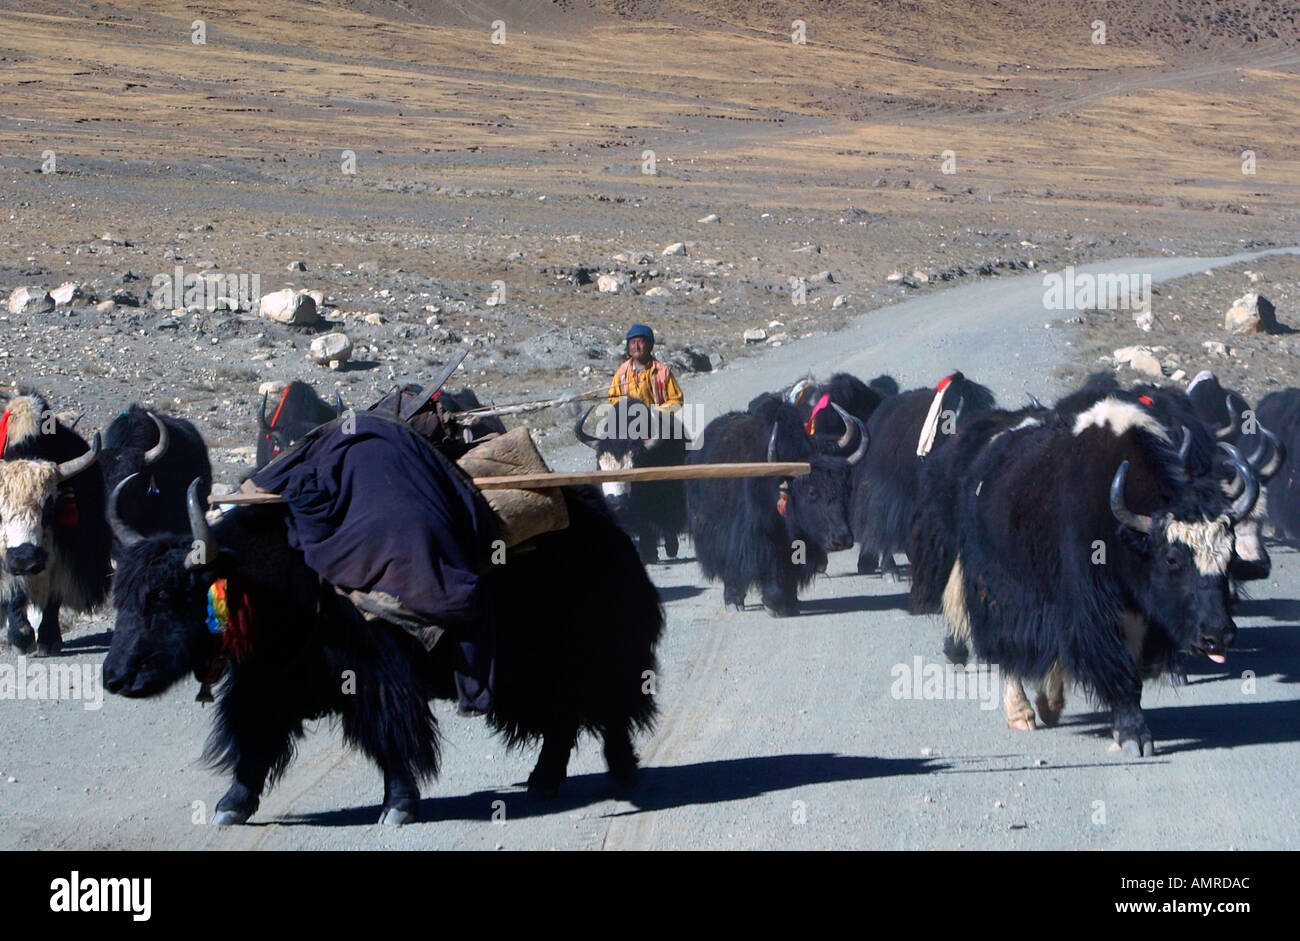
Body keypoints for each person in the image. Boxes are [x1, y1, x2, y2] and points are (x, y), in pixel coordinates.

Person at [608, 324, 683, 410]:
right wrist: (626, 403)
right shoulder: (622, 372)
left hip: (656, 420)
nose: (636, 347)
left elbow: (677, 400)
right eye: (633, 342)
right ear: (628, 347)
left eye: (640, 342)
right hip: (629, 418)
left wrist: (658, 411)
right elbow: (613, 396)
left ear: (650, 345)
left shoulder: (662, 371)